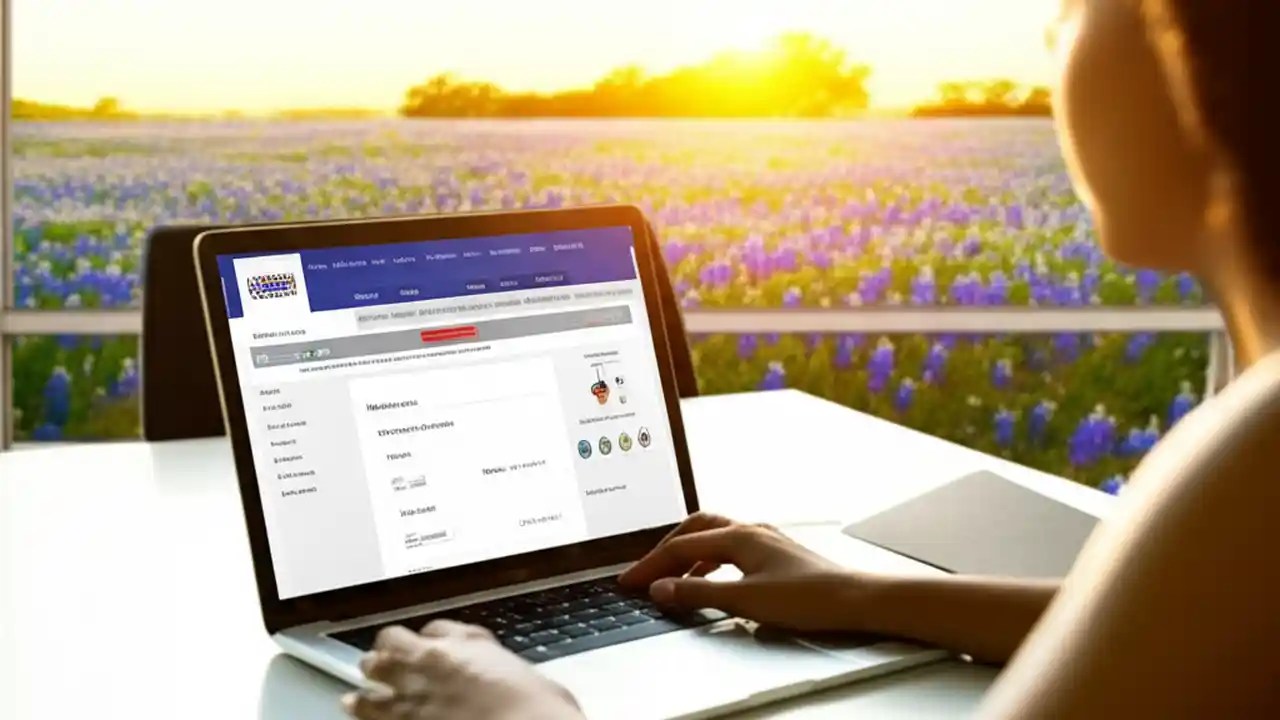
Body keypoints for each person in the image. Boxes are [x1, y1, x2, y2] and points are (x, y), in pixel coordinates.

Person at [344, 1, 1280, 717]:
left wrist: (526, 709)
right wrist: (865, 593)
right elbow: (1198, 628)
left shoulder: (1257, 448)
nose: (1054, 39)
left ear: (1209, 47)